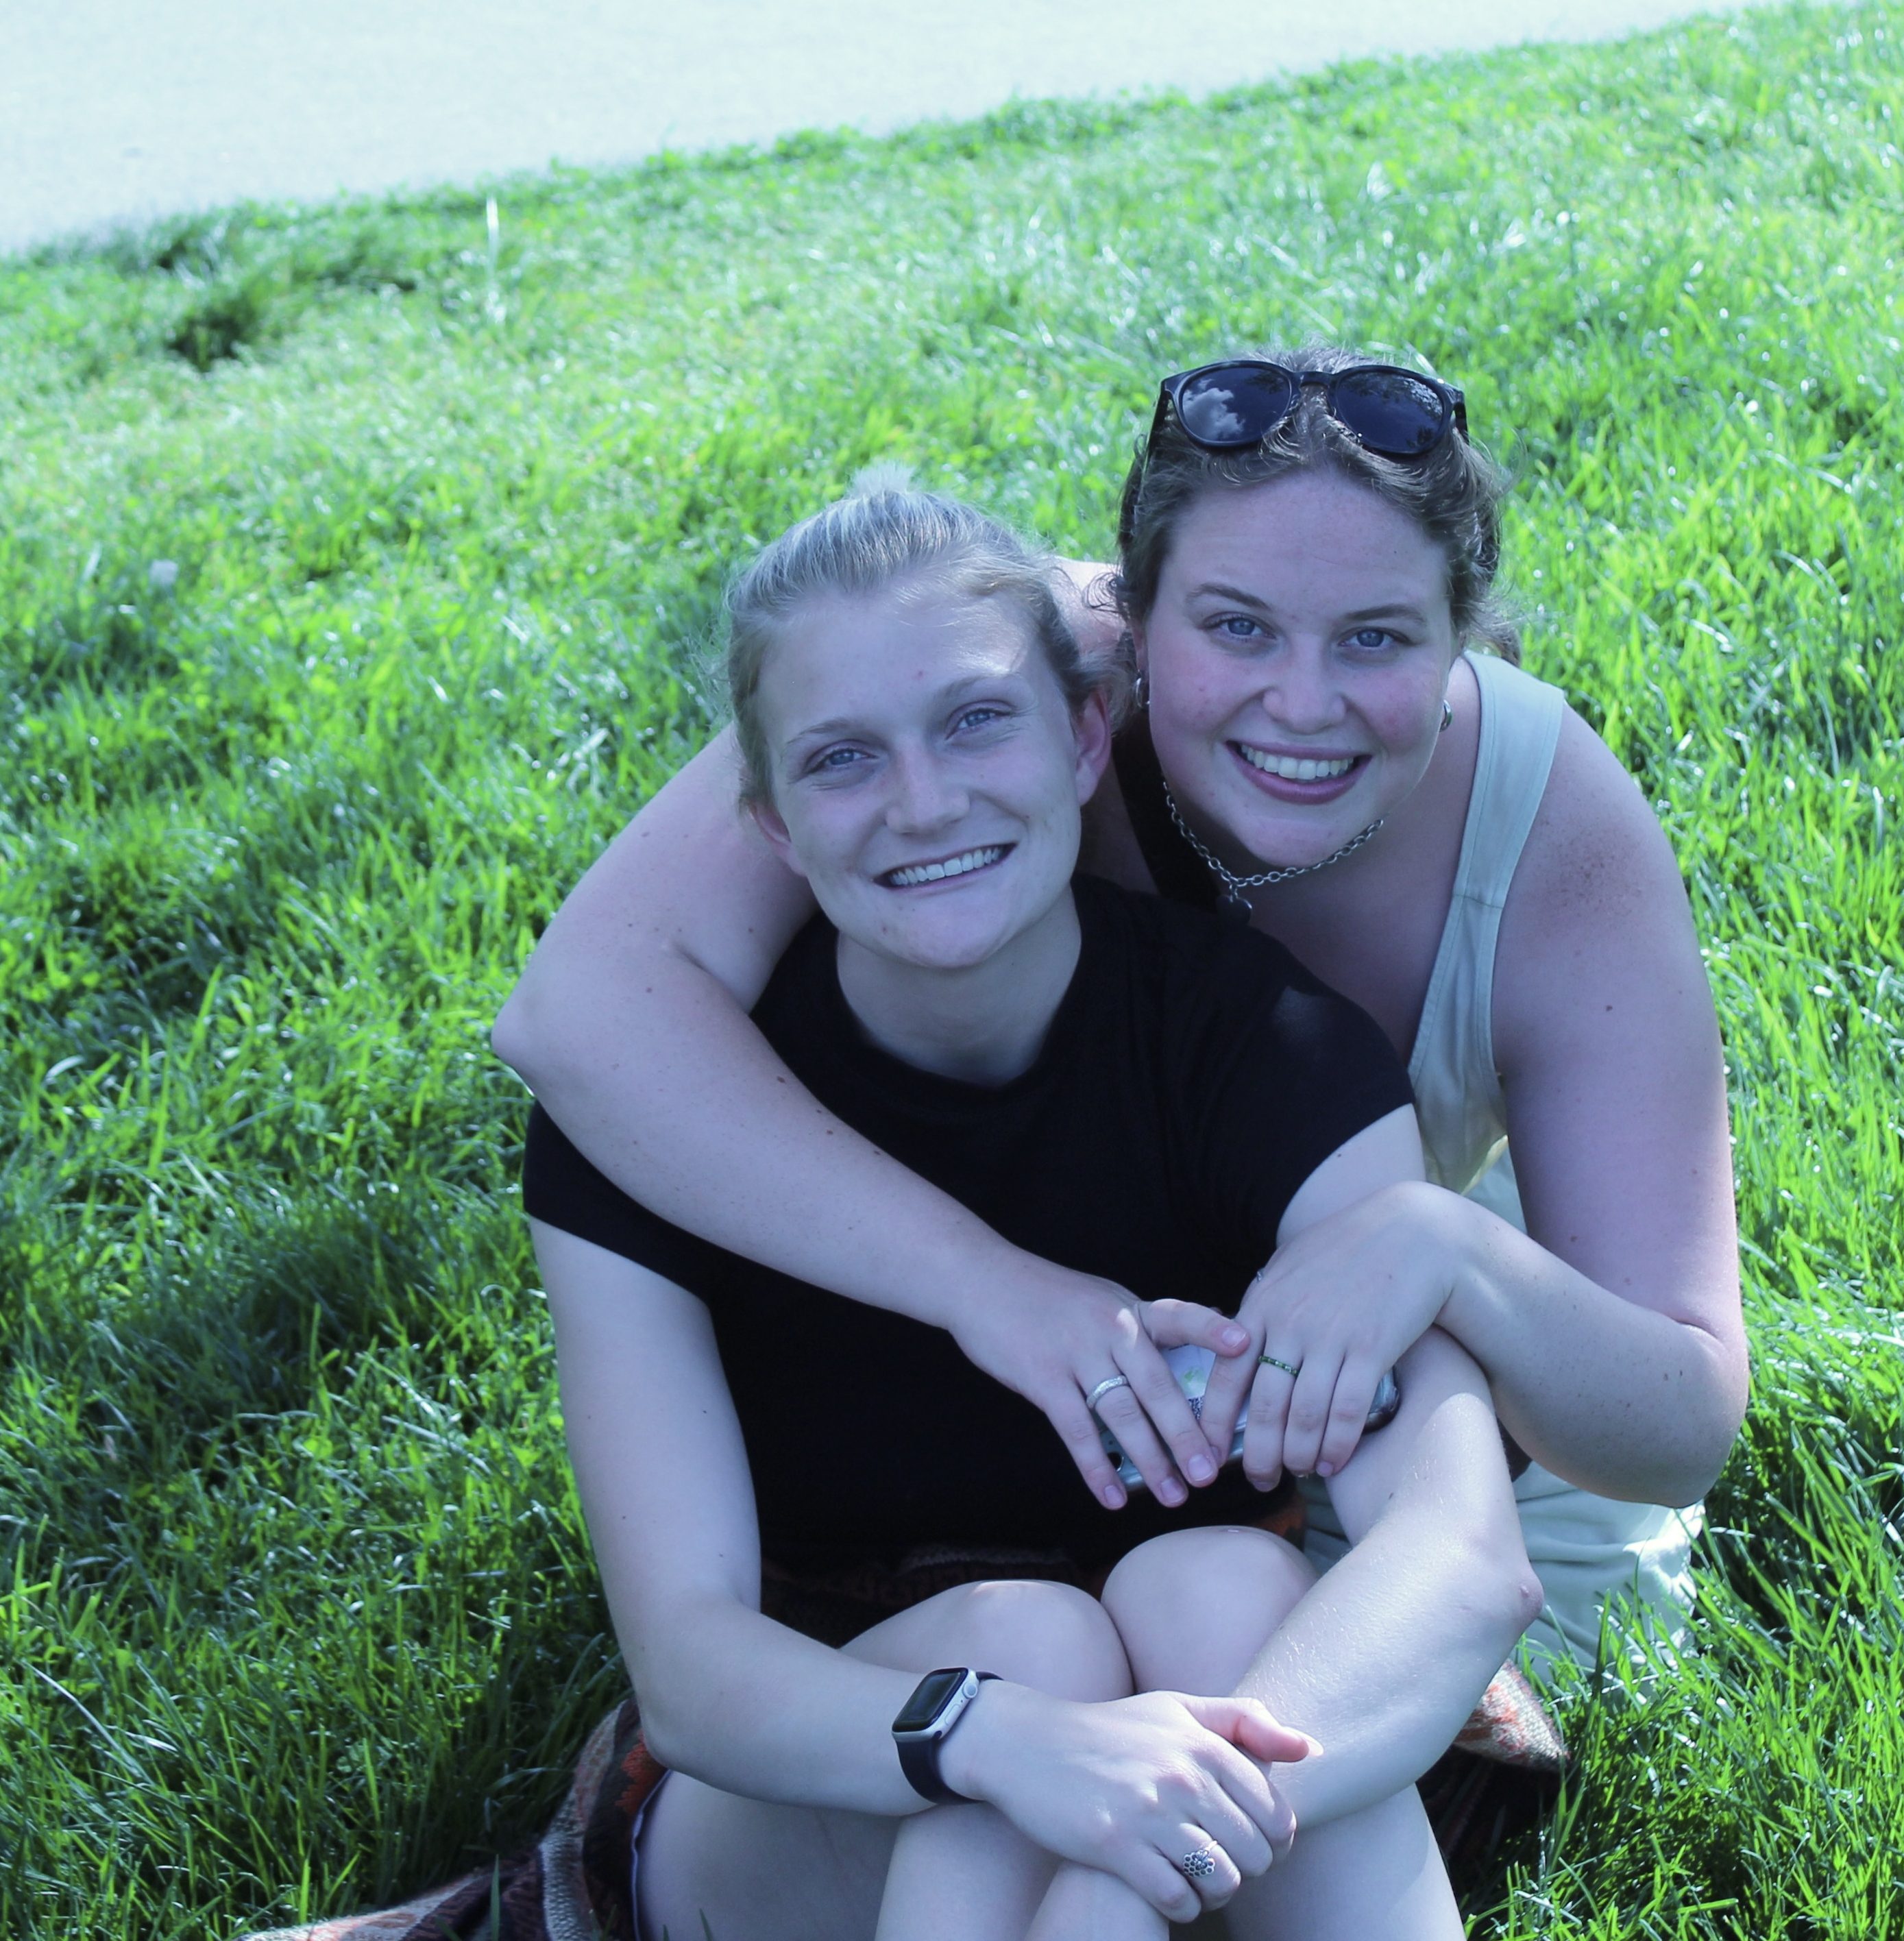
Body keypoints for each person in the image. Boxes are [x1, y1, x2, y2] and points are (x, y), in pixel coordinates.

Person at [493, 344, 1748, 1678]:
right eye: (1234, 626)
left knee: (1418, 1745)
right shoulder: (975, 698)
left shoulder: (1550, 827)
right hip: (991, 1466)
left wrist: (1451, 1251)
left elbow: (1676, 1421)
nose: (1302, 705)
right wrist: (987, 1286)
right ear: (1123, 621)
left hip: (1422, 1411)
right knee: (1025, 1740)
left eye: (1375, 637)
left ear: (1462, 637)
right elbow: (584, 1015)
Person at [524, 483, 1538, 1940]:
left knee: (1221, 1580)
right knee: (1030, 1644)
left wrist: (1140, 1842)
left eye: (974, 720)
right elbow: (694, 1678)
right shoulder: (662, 1119)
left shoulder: (1260, 1055)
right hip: (820, 1771)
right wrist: (1015, 1745)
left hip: (1244, 1754)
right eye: (841, 759)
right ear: (772, 820)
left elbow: (1456, 1559)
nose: (924, 801)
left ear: (1081, 743)